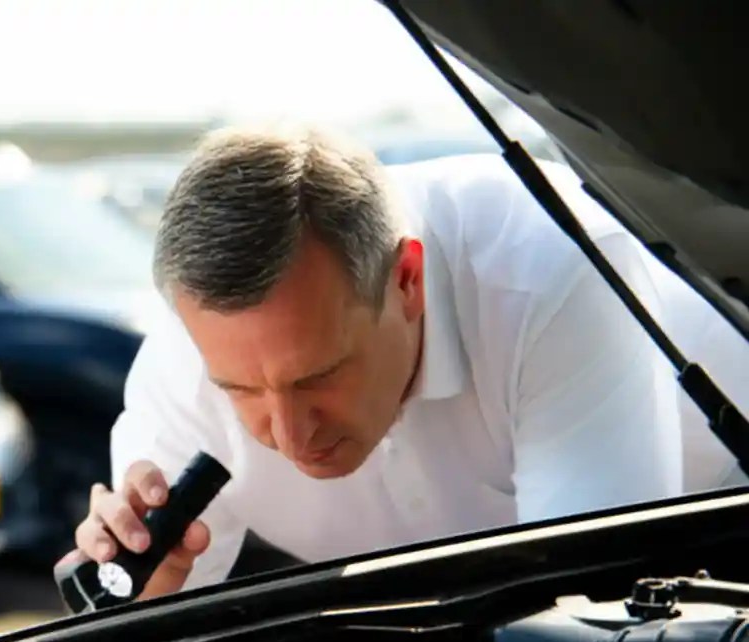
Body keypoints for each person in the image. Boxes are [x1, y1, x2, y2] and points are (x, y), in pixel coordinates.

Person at [68, 125, 748, 602]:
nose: (290, 434)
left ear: (407, 281)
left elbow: (592, 607)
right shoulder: (184, 360)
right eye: (240, 390)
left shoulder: (555, 275)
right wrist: (151, 583)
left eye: (317, 376)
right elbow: (146, 628)